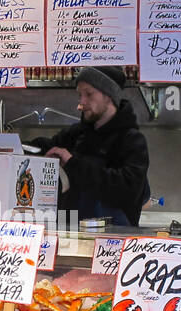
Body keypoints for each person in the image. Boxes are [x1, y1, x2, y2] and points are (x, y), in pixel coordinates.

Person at [31, 66, 151, 227]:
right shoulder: (76, 134)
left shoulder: (132, 140)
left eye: (89, 94)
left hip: (111, 241)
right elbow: (46, 146)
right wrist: (16, 147)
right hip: (70, 235)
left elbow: (127, 191)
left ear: (108, 96)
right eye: (80, 95)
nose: (81, 103)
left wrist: (73, 163)